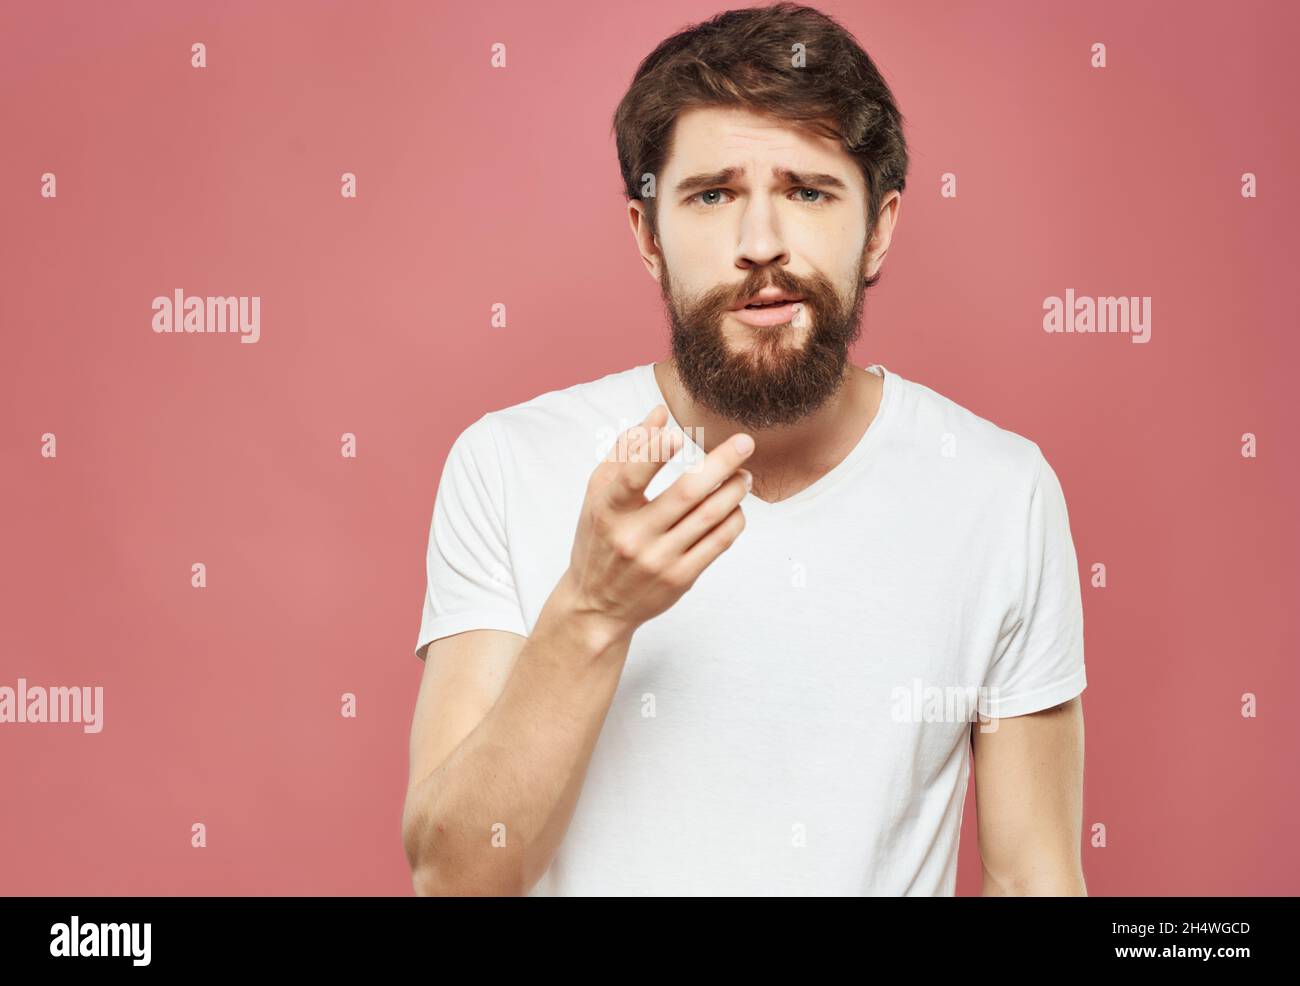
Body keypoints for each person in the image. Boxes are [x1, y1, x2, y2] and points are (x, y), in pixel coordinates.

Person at [402, 1, 1087, 896]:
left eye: (807, 192)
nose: (760, 245)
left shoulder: (1001, 492)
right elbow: (453, 874)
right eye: (713, 195)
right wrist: (592, 612)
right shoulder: (506, 465)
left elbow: (1034, 878)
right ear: (649, 236)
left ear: (878, 229)